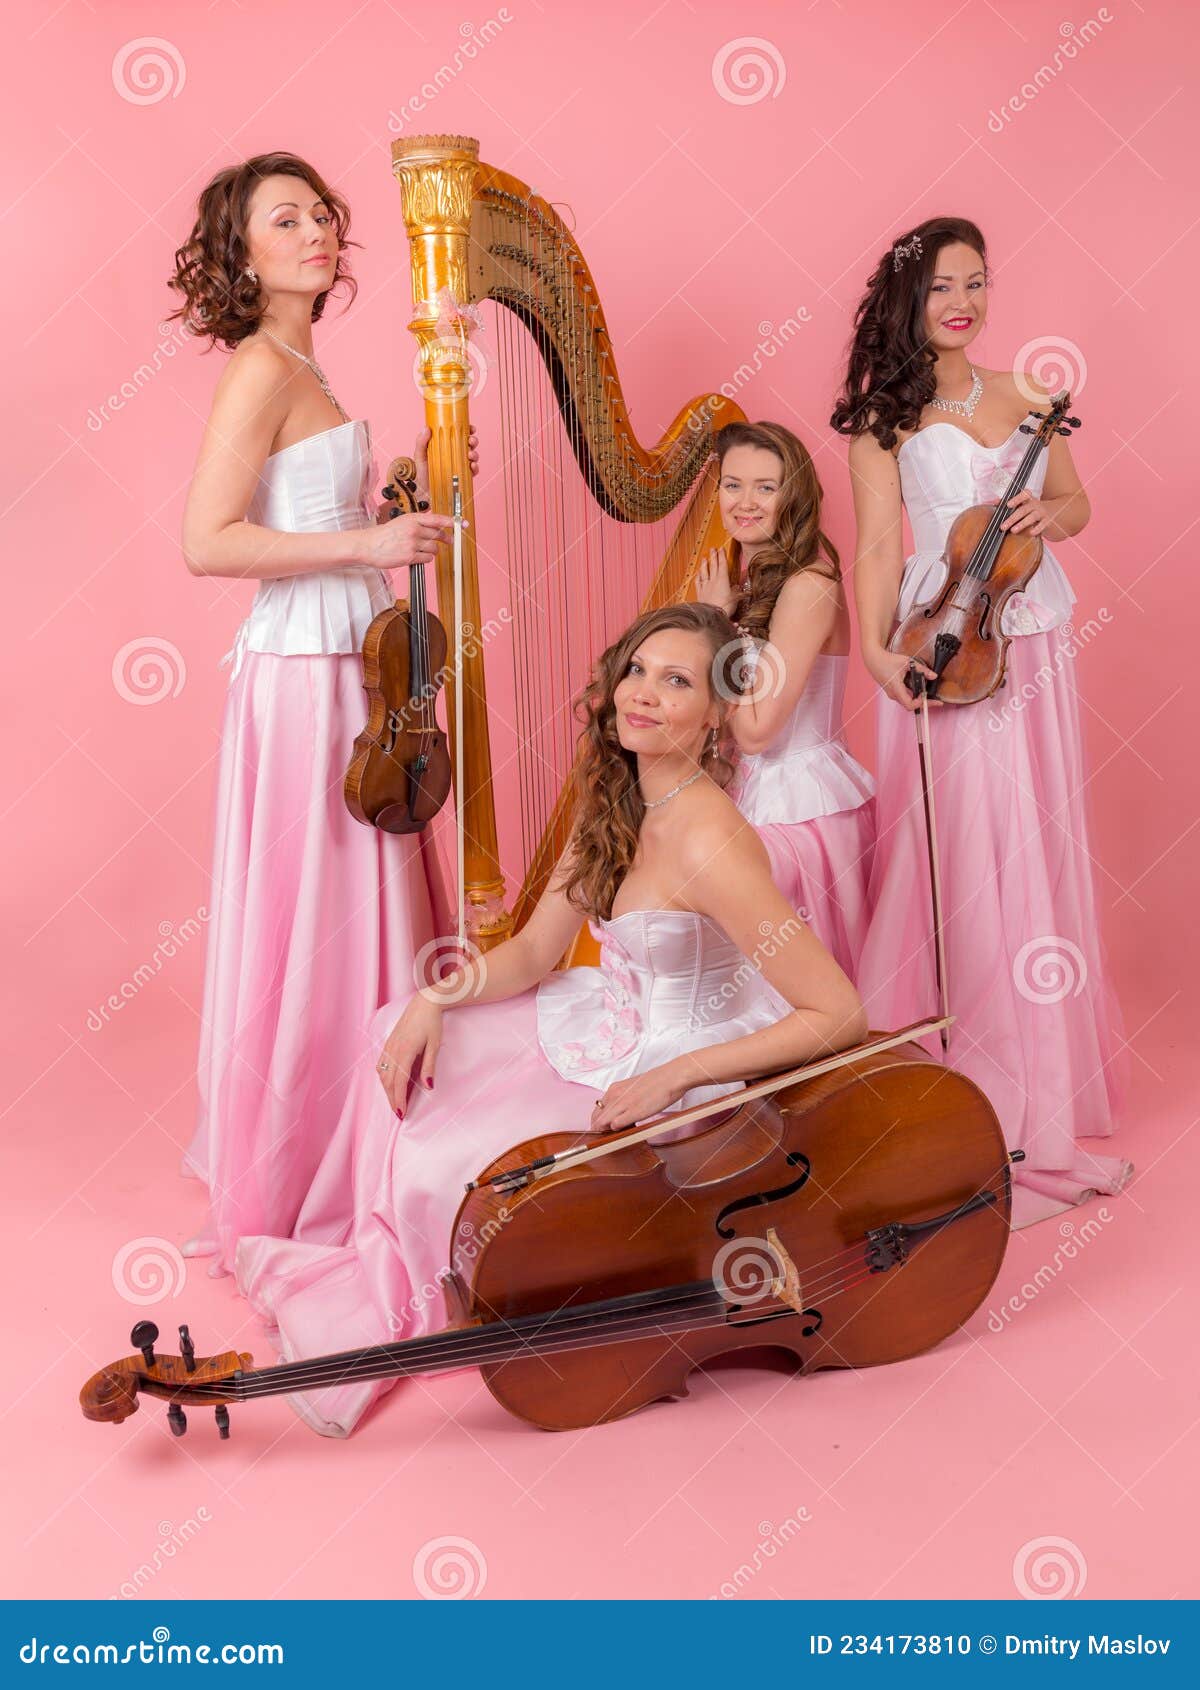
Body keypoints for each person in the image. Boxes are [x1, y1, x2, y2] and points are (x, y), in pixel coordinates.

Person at [234, 602, 868, 1435]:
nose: (643, 694)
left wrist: (674, 1074)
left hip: (684, 1063)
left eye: (676, 681)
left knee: (451, 1161)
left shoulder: (712, 843)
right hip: (606, 1020)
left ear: (719, 713)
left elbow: (838, 1012)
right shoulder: (619, 796)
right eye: (636, 670)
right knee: (396, 1028)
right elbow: (536, 951)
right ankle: (386, 1265)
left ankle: (428, 1303)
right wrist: (434, 997)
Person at [167, 151, 477, 1275]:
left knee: (357, 891)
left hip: (351, 656)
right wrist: (368, 541)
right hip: (306, 671)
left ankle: (367, 1131)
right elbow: (207, 542)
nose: (313, 233)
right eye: (282, 221)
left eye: (318, 215)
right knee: (321, 908)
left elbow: (311, 508)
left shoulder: (305, 360)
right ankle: (310, 1163)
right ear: (241, 257)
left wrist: (398, 499)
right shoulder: (261, 364)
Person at [832, 215, 1130, 1226]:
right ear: (908, 301)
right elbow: (878, 548)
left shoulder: (1031, 395)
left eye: (977, 283)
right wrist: (879, 655)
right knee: (961, 845)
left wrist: (1052, 516)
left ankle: (1034, 1077)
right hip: (942, 640)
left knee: (1029, 838)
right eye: (942, 287)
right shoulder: (882, 424)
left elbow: (1077, 504)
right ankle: (960, 1073)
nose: (962, 303)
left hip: (1027, 634)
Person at [694, 421, 875, 975]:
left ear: (792, 496)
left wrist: (717, 621)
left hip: (801, 810)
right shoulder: (753, 582)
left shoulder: (808, 587)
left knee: (795, 981)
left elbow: (754, 731)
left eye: (766, 488)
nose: (745, 502)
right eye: (733, 485)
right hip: (752, 795)